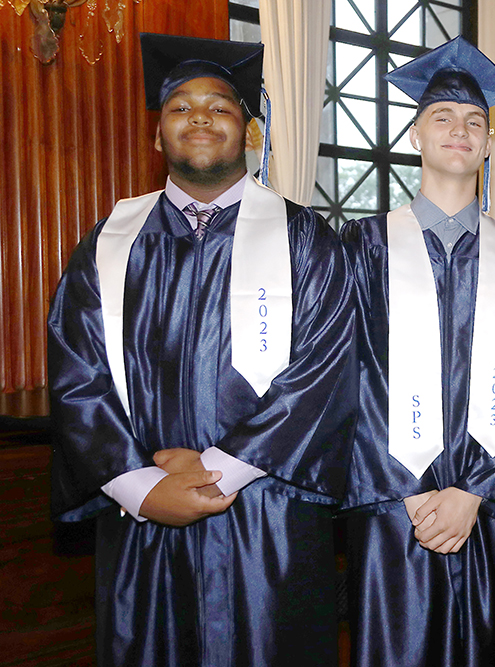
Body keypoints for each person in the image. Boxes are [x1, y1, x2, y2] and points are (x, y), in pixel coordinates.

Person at [48, 33, 358, 666]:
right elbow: (76, 371)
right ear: (157, 135)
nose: (200, 117)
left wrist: (222, 468)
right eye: (180, 106)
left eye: (219, 105)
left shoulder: (307, 237)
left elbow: (326, 371)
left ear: (246, 131)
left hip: (265, 508)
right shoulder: (112, 240)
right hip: (143, 510)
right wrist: (138, 483)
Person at [338, 36, 495, 667]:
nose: (460, 130)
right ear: (416, 136)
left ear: (489, 144)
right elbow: (344, 371)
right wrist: (406, 487)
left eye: (475, 122)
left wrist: (476, 492)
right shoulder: (361, 245)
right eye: (443, 118)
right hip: (391, 504)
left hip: (486, 504)